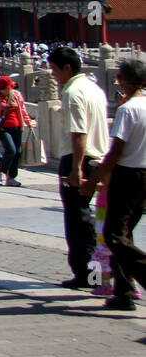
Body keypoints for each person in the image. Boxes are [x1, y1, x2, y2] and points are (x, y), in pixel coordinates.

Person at [81, 60, 146, 310]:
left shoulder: (127, 109)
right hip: (144, 174)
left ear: (125, 81)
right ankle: (124, 291)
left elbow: (116, 150)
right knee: (125, 231)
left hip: (127, 175)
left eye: (119, 77)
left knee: (113, 235)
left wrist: (94, 180)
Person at [51, 45, 109, 290]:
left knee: (77, 218)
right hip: (99, 156)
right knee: (89, 217)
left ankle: (85, 271)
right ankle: (97, 271)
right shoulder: (95, 89)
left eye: (54, 70)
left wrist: (76, 169)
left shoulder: (72, 91)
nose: (53, 75)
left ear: (67, 68)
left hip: (78, 158)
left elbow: (78, 132)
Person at [0, 75, 34, 186]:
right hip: (3, 128)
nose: (8, 90)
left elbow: (23, 110)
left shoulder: (16, 95)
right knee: (11, 150)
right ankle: (0, 171)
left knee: (18, 152)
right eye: (5, 88)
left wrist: (28, 122)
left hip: (17, 126)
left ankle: (11, 177)